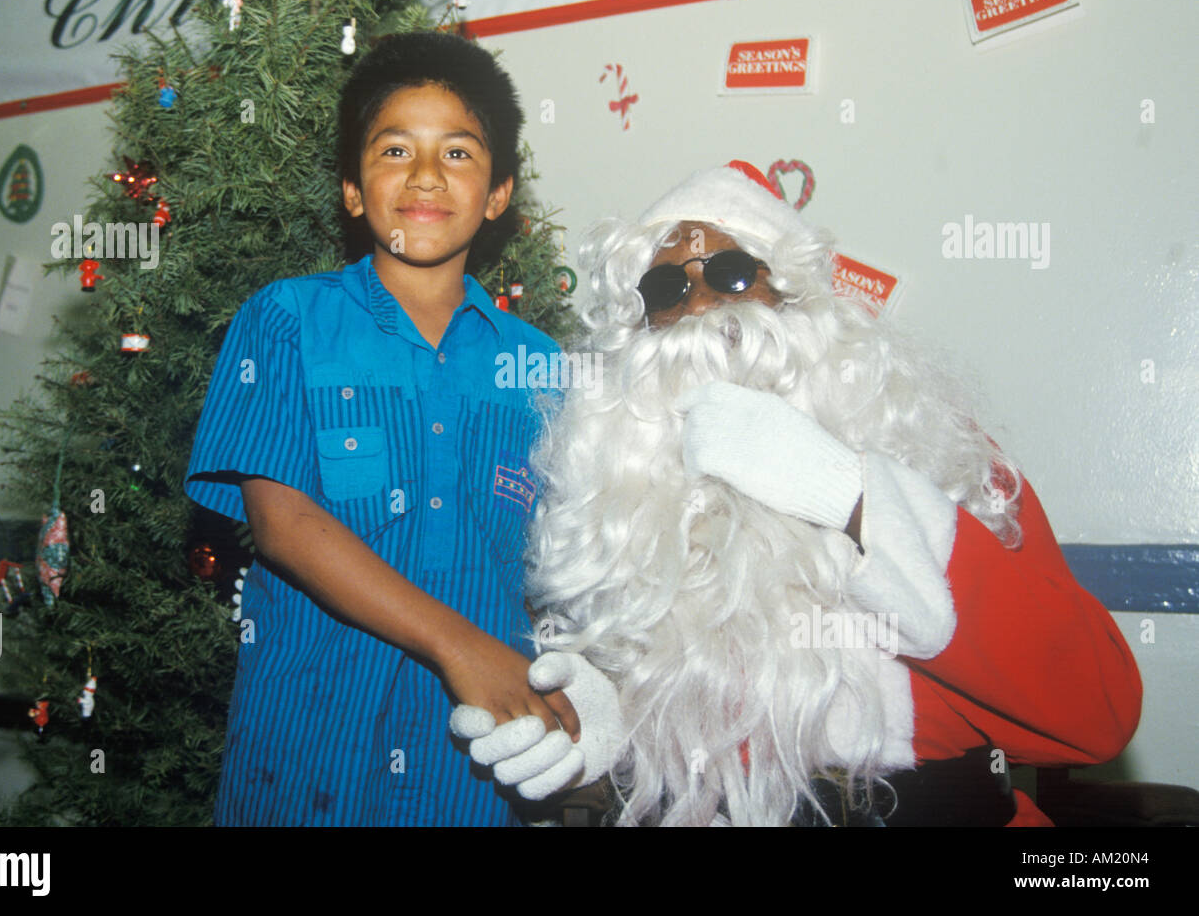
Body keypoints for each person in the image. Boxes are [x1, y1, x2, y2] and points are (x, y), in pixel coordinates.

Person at [450, 159, 1142, 826]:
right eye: (664, 289)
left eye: (731, 272)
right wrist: (598, 744)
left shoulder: (938, 451)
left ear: (795, 294)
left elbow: (1095, 716)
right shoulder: (622, 499)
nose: (698, 304)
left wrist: (851, 496)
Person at [185, 32, 578, 826]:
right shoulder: (288, 320)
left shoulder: (540, 366)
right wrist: (459, 644)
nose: (426, 175)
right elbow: (283, 524)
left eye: (459, 154)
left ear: (499, 194)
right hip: (302, 758)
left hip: (468, 766)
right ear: (354, 190)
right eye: (395, 149)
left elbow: (549, 562)